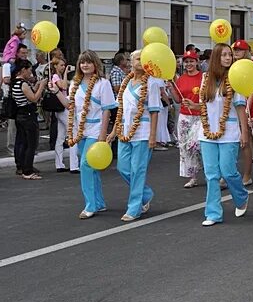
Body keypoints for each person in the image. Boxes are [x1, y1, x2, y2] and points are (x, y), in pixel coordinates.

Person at [57, 50, 116, 219]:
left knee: (85, 165)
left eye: (88, 62)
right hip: (80, 130)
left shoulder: (102, 83)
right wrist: (56, 92)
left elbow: (107, 110)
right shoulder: (74, 83)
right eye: (82, 62)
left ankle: (90, 205)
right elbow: (70, 105)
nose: (85, 65)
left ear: (95, 64)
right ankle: (99, 202)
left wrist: (102, 135)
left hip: (96, 129)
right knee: (93, 168)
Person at [198, 42, 249, 226]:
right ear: (216, 58)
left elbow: (241, 108)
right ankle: (213, 213)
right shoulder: (205, 78)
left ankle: (241, 195)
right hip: (207, 133)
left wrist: (244, 133)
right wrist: (193, 105)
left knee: (228, 171)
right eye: (224, 55)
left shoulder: (236, 78)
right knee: (211, 174)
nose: (228, 58)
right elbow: (206, 105)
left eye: (230, 55)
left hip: (229, 132)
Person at [108, 50, 161, 221]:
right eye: (137, 59)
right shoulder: (126, 81)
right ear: (130, 61)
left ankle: (134, 208)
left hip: (143, 131)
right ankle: (145, 194)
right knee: (123, 167)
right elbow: (121, 110)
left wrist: (153, 135)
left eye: (143, 59)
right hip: (125, 130)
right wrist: (114, 131)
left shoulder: (151, 82)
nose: (140, 61)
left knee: (138, 170)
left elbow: (154, 111)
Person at [10, 58, 47, 179]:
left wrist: (36, 86)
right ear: (23, 70)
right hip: (28, 115)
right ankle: (28, 170)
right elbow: (34, 98)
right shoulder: (23, 84)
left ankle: (23, 166)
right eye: (29, 70)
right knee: (31, 144)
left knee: (23, 142)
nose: (30, 73)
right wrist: (41, 86)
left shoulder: (14, 82)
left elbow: (27, 95)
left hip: (20, 115)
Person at [172, 50, 203, 188]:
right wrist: (172, 87)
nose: (189, 64)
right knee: (186, 147)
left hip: (200, 116)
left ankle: (213, 174)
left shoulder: (203, 78)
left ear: (197, 62)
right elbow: (178, 99)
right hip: (185, 117)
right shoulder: (181, 79)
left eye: (191, 61)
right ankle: (192, 177)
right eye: (186, 61)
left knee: (200, 146)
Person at [50, 58, 79, 173]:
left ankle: (59, 164)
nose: (63, 67)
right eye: (61, 65)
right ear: (55, 66)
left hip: (60, 109)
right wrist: (67, 72)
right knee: (73, 134)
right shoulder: (55, 77)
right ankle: (74, 165)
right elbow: (64, 87)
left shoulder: (58, 77)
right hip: (63, 109)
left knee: (61, 137)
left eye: (64, 65)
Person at [232, 40, 253, 186]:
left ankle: (247, 174)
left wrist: (247, 107)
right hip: (230, 104)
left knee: (246, 141)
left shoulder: (250, 66)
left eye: (240, 50)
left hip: (245, 104)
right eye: (235, 50)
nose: (236, 52)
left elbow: (252, 88)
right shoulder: (231, 65)